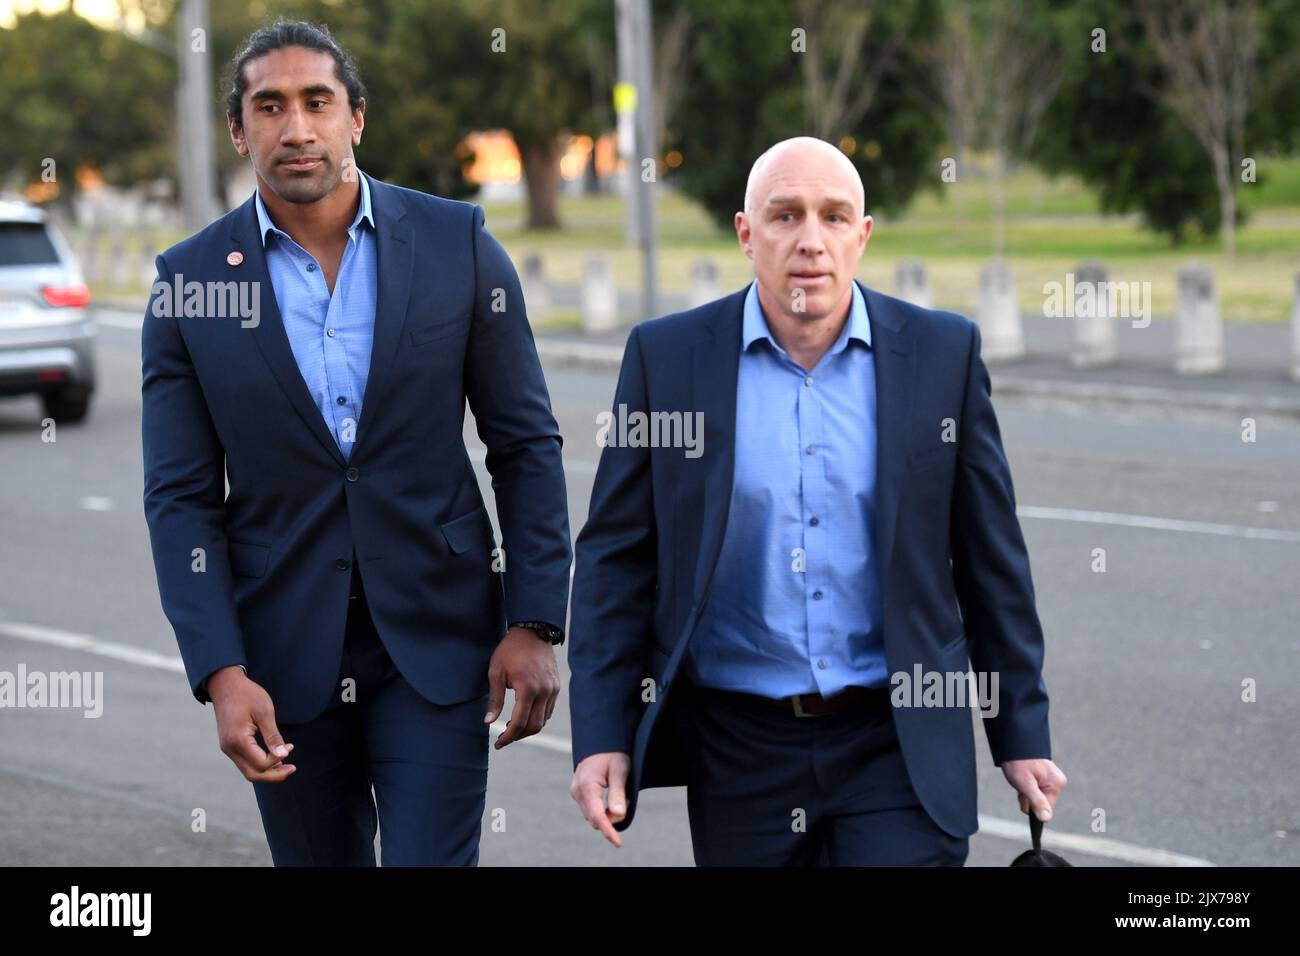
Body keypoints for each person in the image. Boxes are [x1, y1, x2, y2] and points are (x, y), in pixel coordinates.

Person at [567, 136, 1066, 865]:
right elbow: (616, 558)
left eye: (834, 217)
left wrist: (1020, 737)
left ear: (862, 236)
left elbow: (993, 563)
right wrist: (603, 734)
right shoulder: (667, 360)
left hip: (897, 738)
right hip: (739, 748)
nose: (811, 241)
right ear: (745, 233)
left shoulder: (941, 356)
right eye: (785, 216)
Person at [141, 19, 570, 866]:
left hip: (439, 642)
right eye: (269, 107)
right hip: (282, 660)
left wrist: (533, 622)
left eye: (317, 102)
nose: (295, 128)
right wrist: (222, 672)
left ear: (356, 118)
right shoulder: (189, 284)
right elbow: (180, 499)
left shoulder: (457, 246)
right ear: (239, 130)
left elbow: (525, 444)